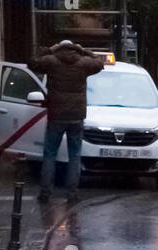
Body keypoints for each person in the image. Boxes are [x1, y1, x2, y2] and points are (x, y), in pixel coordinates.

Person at [32, 40, 104, 204]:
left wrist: (50, 48)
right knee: (74, 155)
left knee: (50, 154)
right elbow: (100, 63)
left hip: (56, 116)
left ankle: (45, 192)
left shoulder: (51, 61)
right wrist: (84, 50)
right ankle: (72, 194)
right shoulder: (83, 63)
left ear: (59, 48)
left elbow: (33, 62)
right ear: (74, 48)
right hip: (77, 116)